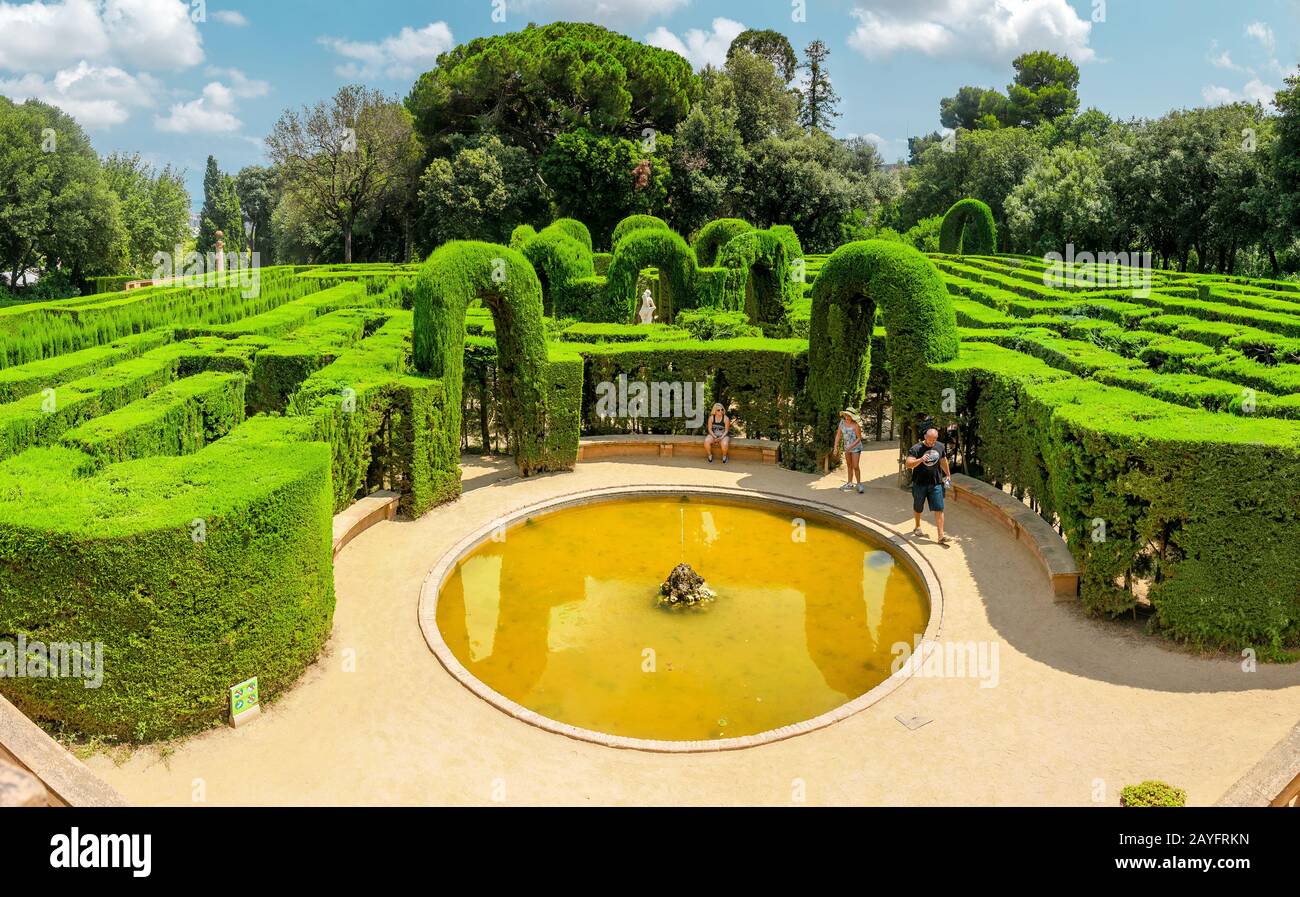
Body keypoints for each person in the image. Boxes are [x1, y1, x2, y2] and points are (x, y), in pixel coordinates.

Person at [905, 426, 953, 544]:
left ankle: (941, 536)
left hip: (936, 483)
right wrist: (921, 459)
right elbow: (908, 464)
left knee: (939, 508)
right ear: (925, 437)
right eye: (930, 439)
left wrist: (948, 475)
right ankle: (917, 526)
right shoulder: (916, 448)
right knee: (918, 507)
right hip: (919, 484)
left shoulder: (940, 446)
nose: (932, 442)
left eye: (934, 440)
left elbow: (943, 460)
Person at [833, 409, 865, 494]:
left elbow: (859, 438)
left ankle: (859, 484)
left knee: (855, 466)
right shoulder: (842, 423)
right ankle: (849, 483)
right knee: (849, 465)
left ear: (852, 417)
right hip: (847, 448)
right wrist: (835, 447)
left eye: (849, 416)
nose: (847, 417)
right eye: (846, 415)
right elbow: (838, 435)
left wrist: (851, 446)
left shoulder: (856, 426)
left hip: (856, 448)